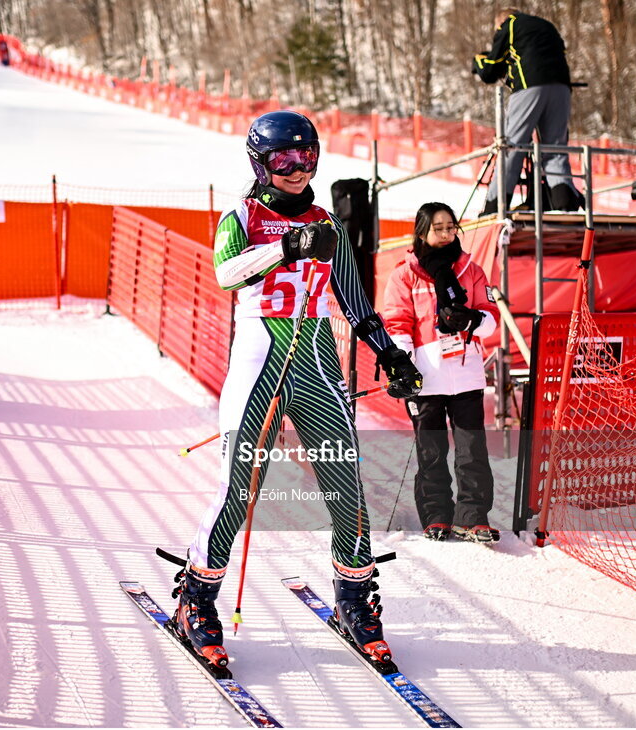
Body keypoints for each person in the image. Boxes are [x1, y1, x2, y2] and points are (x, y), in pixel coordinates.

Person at [175, 110, 422, 669]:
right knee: (239, 488)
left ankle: (355, 602)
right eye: (283, 159)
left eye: (306, 156)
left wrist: (390, 354)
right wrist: (286, 249)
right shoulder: (239, 215)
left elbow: (355, 302)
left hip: (314, 365)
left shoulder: (326, 223)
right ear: (260, 163)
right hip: (260, 362)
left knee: (347, 489)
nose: (296, 168)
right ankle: (198, 598)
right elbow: (226, 274)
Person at [382, 202, 500, 544]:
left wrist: (471, 321)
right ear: (422, 231)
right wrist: (403, 364)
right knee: (431, 451)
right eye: (439, 228)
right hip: (425, 377)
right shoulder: (404, 274)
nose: (448, 234)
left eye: (452, 227)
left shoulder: (472, 270)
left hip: (466, 374)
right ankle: (436, 516)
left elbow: (490, 318)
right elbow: (396, 323)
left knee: (471, 450)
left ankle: (473, 516)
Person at [473, 8, 582, 215]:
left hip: (529, 86)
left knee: (513, 147)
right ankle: (564, 205)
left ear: (500, 22)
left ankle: (494, 207)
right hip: (561, 87)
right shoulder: (547, 26)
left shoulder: (510, 24)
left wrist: (478, 61)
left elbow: (490, 70)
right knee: (555, 149)